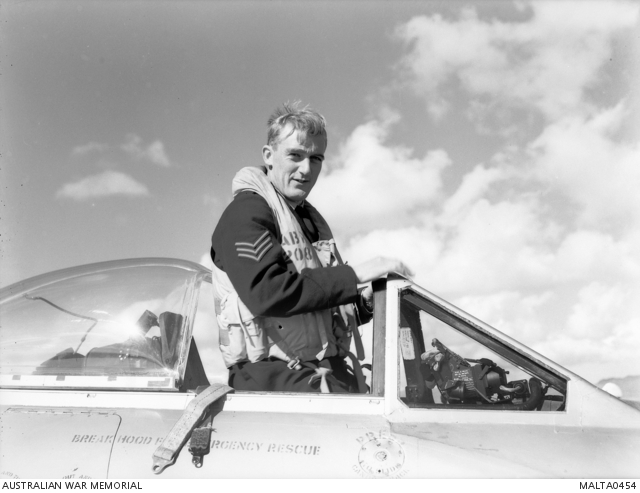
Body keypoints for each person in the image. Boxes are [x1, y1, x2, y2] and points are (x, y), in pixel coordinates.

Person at [210, 102, 412, 393]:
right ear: (268, 156)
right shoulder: (246, 214)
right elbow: (267, 293)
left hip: (329, 378)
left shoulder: (308, 222)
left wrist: (364, 300)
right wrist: (355, 272)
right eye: (295, 155)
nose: (306, 169)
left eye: (316, 158)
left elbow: (319, 308)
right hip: (275, 385)